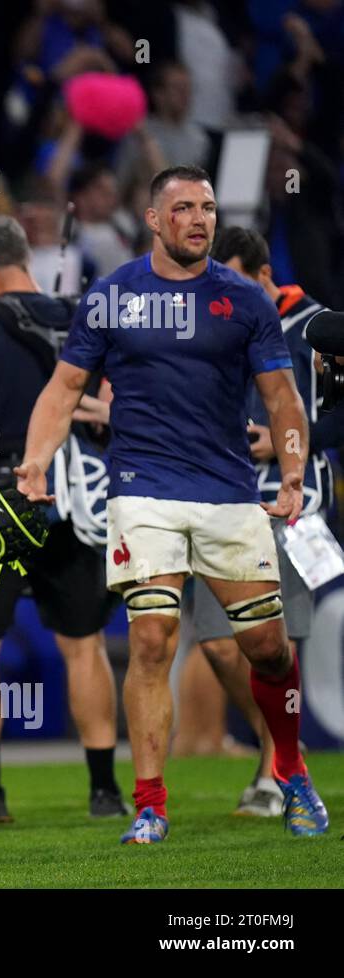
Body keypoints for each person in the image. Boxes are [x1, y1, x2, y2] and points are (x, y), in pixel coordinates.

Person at [17, 165, 328, 843]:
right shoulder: (112, 296)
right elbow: (66, 387)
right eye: (184, 207)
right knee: (152, 640)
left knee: (267, 649)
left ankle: (292, 770)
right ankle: (151, 803)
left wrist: (295, 469)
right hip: (143, 492)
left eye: (209, 208)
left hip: (228, 494)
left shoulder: (244, 301)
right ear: (154, 219)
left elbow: (281, 397)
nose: (200, 219)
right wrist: (36, 459)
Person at [0, 213, 127, 821]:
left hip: (0, 504)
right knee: (84, 643)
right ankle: (104, 791)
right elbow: (114, 404)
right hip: (74, 502)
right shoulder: (76, 319)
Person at [183, 224, 343, 817]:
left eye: (233, 281)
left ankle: (275, 774)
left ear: (263, 275)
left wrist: (287, 443)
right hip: (222, 505)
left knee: (277, 646)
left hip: (291, 508)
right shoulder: (219, 329)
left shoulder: (315, 326)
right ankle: (282, 752)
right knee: (219, 647)